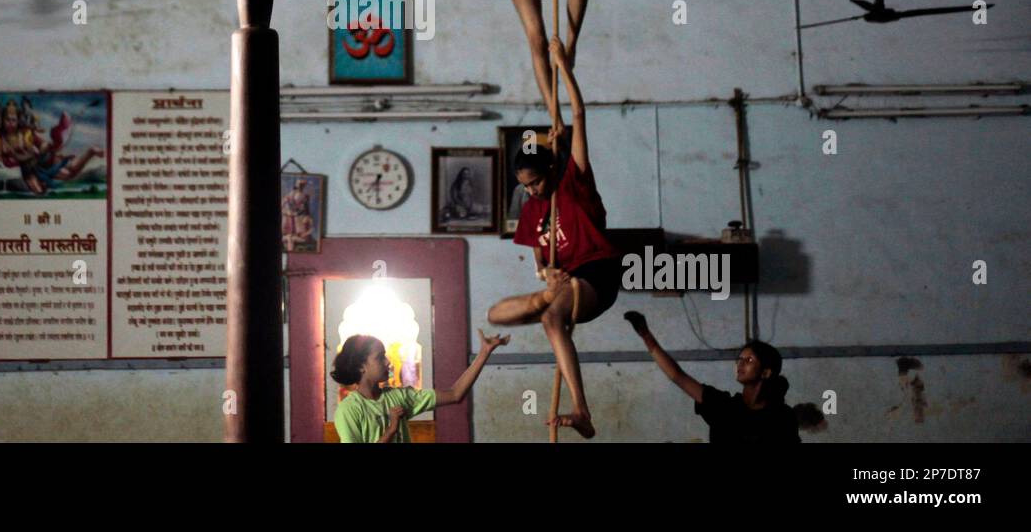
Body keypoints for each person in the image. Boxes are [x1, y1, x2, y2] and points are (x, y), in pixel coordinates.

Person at [486, 37, 621, 439]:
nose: (532, 191)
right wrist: (547, 277)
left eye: (536, 181)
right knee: (497, 314)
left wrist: (563, 65)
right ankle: (550, 301)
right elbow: (540, 260)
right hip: (564, 282)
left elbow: (578, 114)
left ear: (551, 169)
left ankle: (582, 410)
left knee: (549, 318)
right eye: (524, 186)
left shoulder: (574, 184)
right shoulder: (531, 210)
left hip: (598, 273)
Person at [624, 311, 800, 443]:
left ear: (766, 372)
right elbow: (677, 376)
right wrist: (646, 336)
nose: (740, 363)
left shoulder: (782, 418)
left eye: (749, 360)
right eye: (739, 359)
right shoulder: (722, 406)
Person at [331, 329, 508, 443]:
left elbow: (455, 394)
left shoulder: (399, 397)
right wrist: (391, 430)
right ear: (361, 365)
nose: (387, 362)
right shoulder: (349, 410)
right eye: (380, 357)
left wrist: (484, 352)